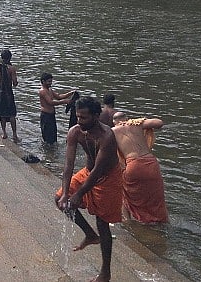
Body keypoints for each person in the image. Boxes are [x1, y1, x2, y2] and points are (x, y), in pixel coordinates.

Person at [55, 96, 122, 282]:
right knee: (59, 198)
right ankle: (90, 235)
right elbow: (68, 164)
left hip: (108, 177)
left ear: (96, 116)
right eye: (78, 117)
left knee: (103, 223)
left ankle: (105, 274)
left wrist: (79, 194)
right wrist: (66, 192)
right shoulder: (75, 132)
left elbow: (99, 171)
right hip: (88, 172)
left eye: (83, 118)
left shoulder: (107, 136)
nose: (79, 121)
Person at [112, 112, 168, 224]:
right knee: (157, 197)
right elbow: (159, 123)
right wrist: (140, 121)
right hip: (151, 164)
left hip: (133, 166)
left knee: (125, 194)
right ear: (126, 118)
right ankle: (162, 223)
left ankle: (128, 222)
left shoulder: (112, 131)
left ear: (114, 122)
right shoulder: (136, 124)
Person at [38, 73, 76, 145]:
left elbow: (58, 97)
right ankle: (48, 151)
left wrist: (70, 93)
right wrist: (64, 102)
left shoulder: (49, 90)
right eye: (49, 81)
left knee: (53, 136)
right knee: (48, 137)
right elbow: (50, 102)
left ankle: (49, 153)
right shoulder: (43, 91)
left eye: (51, 81)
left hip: (51, 116)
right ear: (43, 81)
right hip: (46, 116)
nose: (50, 83)